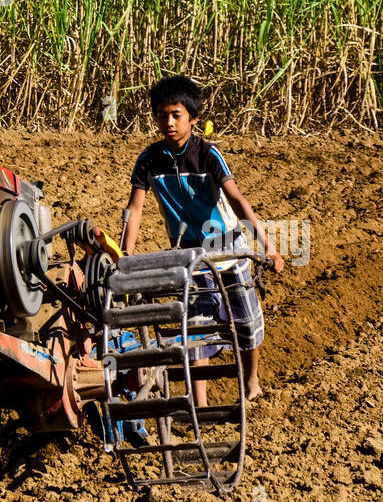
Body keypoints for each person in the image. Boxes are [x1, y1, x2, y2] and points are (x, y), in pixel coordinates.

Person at [121, 74, 284, 402]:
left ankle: (251, 381)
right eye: (162, 115)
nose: (168, 122)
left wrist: (268, 246)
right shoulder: (149, 160)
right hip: (189, 255)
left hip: (228, 247)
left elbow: (237, 200)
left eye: (176, 115)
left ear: (192, 119)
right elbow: (134, 210)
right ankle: (201, 403)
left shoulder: (207, 154)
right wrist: (124, 254)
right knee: (195, 329)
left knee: (245, 321)